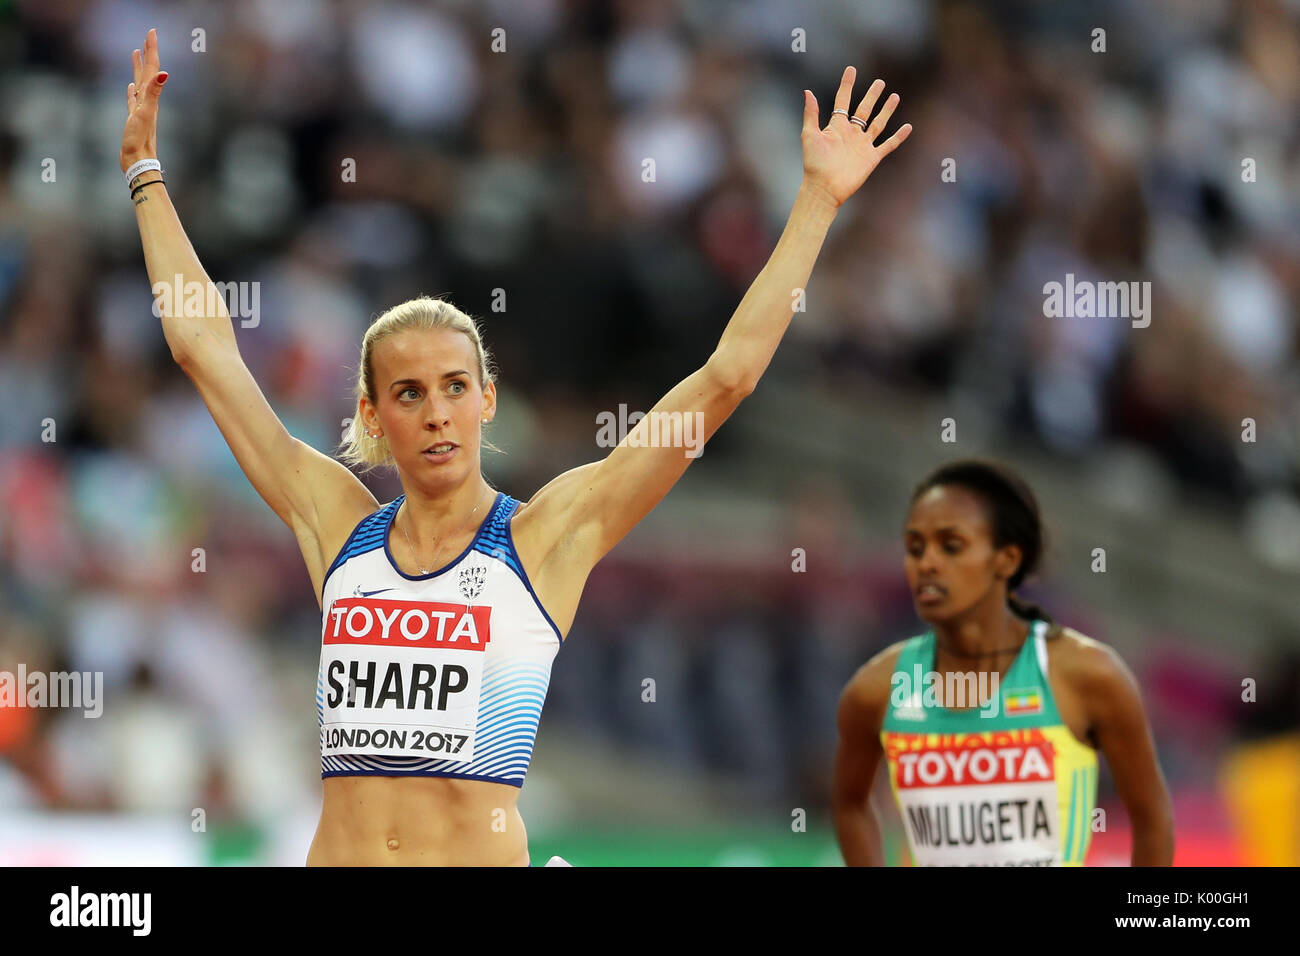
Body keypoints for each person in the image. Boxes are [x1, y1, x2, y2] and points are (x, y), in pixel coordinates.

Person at [120, 27, 912, 865]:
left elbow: (726, 379)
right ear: (373, 414)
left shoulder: (543, 537)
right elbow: (202, 350)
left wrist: (818, 199)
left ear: (488, 400)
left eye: (456, 388)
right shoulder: (336, 529)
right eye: (410, 394)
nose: (436, 414)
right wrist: (145, 175)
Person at [832, 459, 1175, 866]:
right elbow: (850, 804)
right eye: (915, 547)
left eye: (951, 546)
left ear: (1007, 560)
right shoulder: (877, 688)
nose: (926, 563)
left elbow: (1152, 819)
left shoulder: (1087, 676)